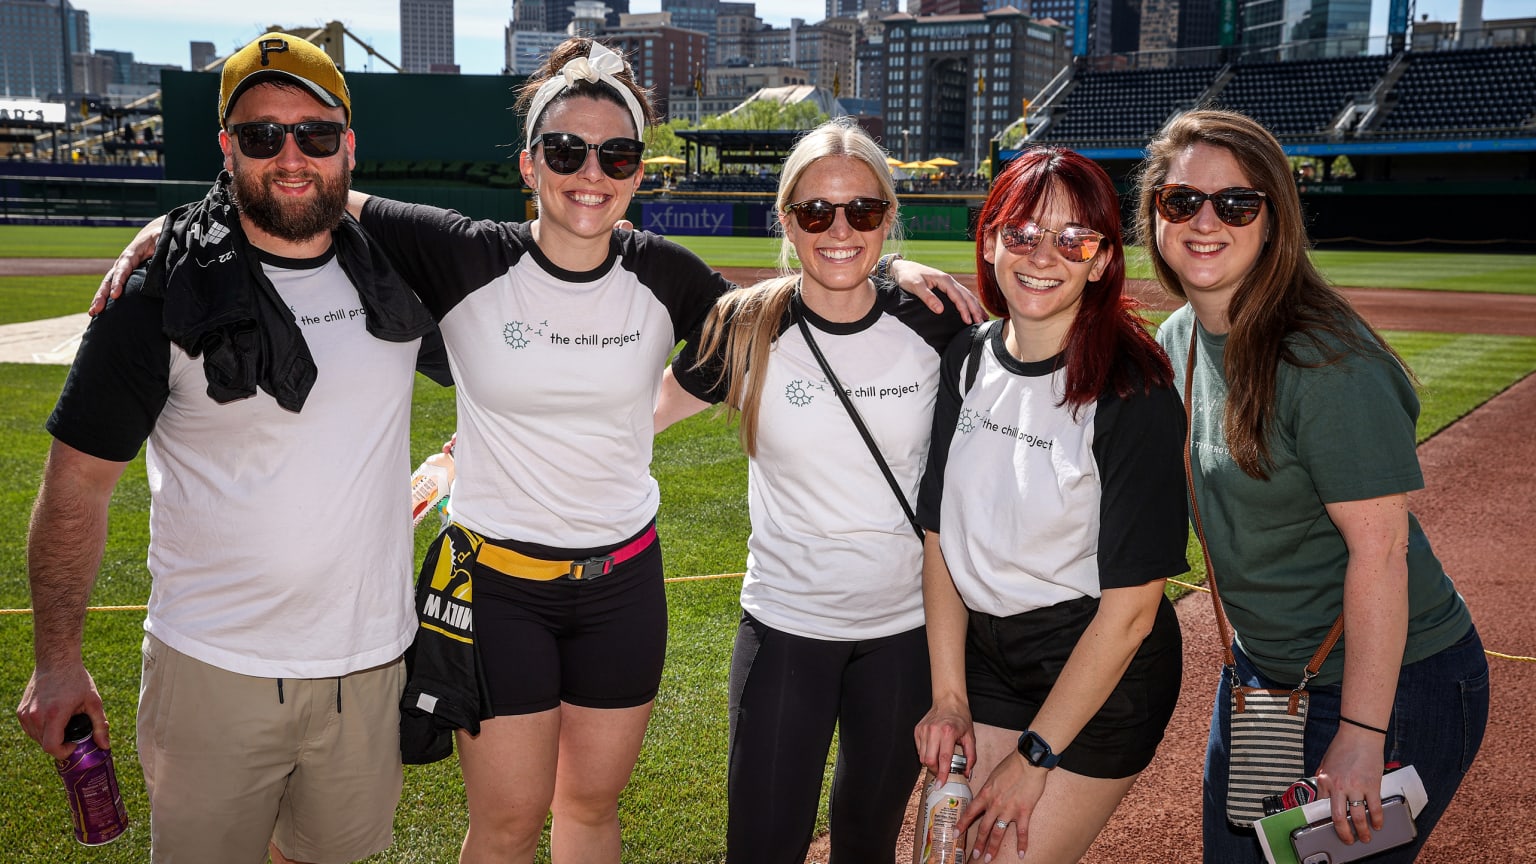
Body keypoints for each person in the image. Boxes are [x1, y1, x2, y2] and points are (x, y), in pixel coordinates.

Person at [15, 33, 450, 864]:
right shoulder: (159, 290)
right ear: (228, 148)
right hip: (210, 670)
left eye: (316, 135)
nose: (292, 157)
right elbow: (76, 485)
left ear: (347, 144)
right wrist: (58, 660)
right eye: (262, 136)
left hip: (368, 666)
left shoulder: (401, 278)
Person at [1136, 108, 1488, 863]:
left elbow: (1381, 552)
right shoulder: (1179, 340)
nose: (1206, 220)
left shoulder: (1325, 362)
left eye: (1237, 203)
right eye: (1181, 200)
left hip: (1394, 681)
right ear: (1155, 214)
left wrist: (1362, 735)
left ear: (1274, 219)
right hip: (1265, 681)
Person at [653, 119, 966, 863]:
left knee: (867, 845)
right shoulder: (745, 325)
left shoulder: (934, 323)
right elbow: (635, 421)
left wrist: (900, 271)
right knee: (762, 845)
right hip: (785, 630)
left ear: (888, 218)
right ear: (787, 221)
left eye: (862, 211)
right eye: (816, 211)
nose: (839, 230)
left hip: (903, 635)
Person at [913, 147, 1189, 863]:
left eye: (1074, 239)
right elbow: (939, 533)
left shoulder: (1133, 393)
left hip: (1097, 669)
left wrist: (1035, 761)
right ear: (990, 240)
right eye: (1022, 232)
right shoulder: (968, 359)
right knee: (942, 855)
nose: (1043, 255)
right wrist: (948, 697)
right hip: (988, 656)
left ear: (1101, 261)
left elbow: (1129, 613)